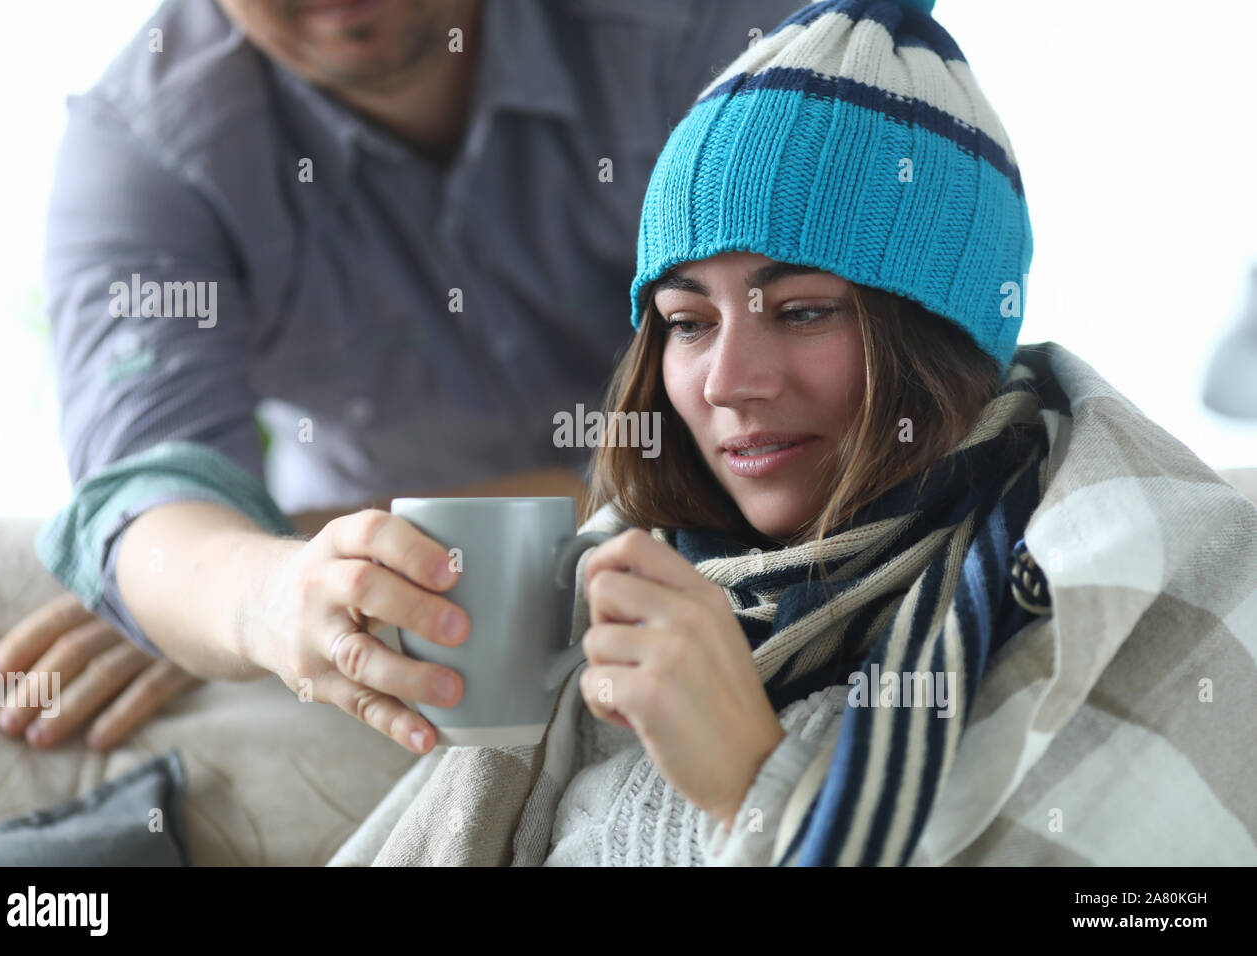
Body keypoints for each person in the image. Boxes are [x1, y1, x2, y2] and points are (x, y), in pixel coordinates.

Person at [329, 0, 1257, 867]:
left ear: (945, 335)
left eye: (805, 311)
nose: (729, 382)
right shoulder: (607, 593)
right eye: (688, 323)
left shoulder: (1155, 590)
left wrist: (754, 781)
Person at [0, 0, 801, 753]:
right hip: (402, 618)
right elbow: (150, 496)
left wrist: (310, 541)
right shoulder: (147, 145)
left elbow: (845, 399)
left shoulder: (709, 26)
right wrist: (259, 597)